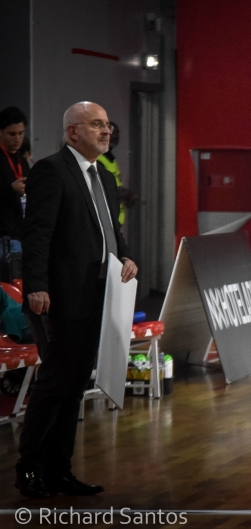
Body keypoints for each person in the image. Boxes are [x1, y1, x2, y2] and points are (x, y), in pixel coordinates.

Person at [16, 101, 138, 498]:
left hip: (98, 297)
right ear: (73, 132)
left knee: (73, 387)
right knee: (54, 385)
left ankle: (59, 471)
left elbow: (110, 229)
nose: (106, 132)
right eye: (97, 125)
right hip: (58, 298)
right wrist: (36, 285)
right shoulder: (51, 170)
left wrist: (126, 255)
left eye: (107, 125)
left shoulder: (102, 174)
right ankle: (29, 470)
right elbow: (37, 234)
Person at [0, 107, 30, 245]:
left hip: (20, 230)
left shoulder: (21, 160)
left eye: (21, 133)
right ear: (1, 132)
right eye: (12, 134)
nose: (17, 139)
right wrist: (11, 188)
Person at [97, 122, 137, 226]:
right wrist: (122, 194)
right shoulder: (97, 161)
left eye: (117, 133)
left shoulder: (110, 159)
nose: (115, 136)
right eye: (112, 133)